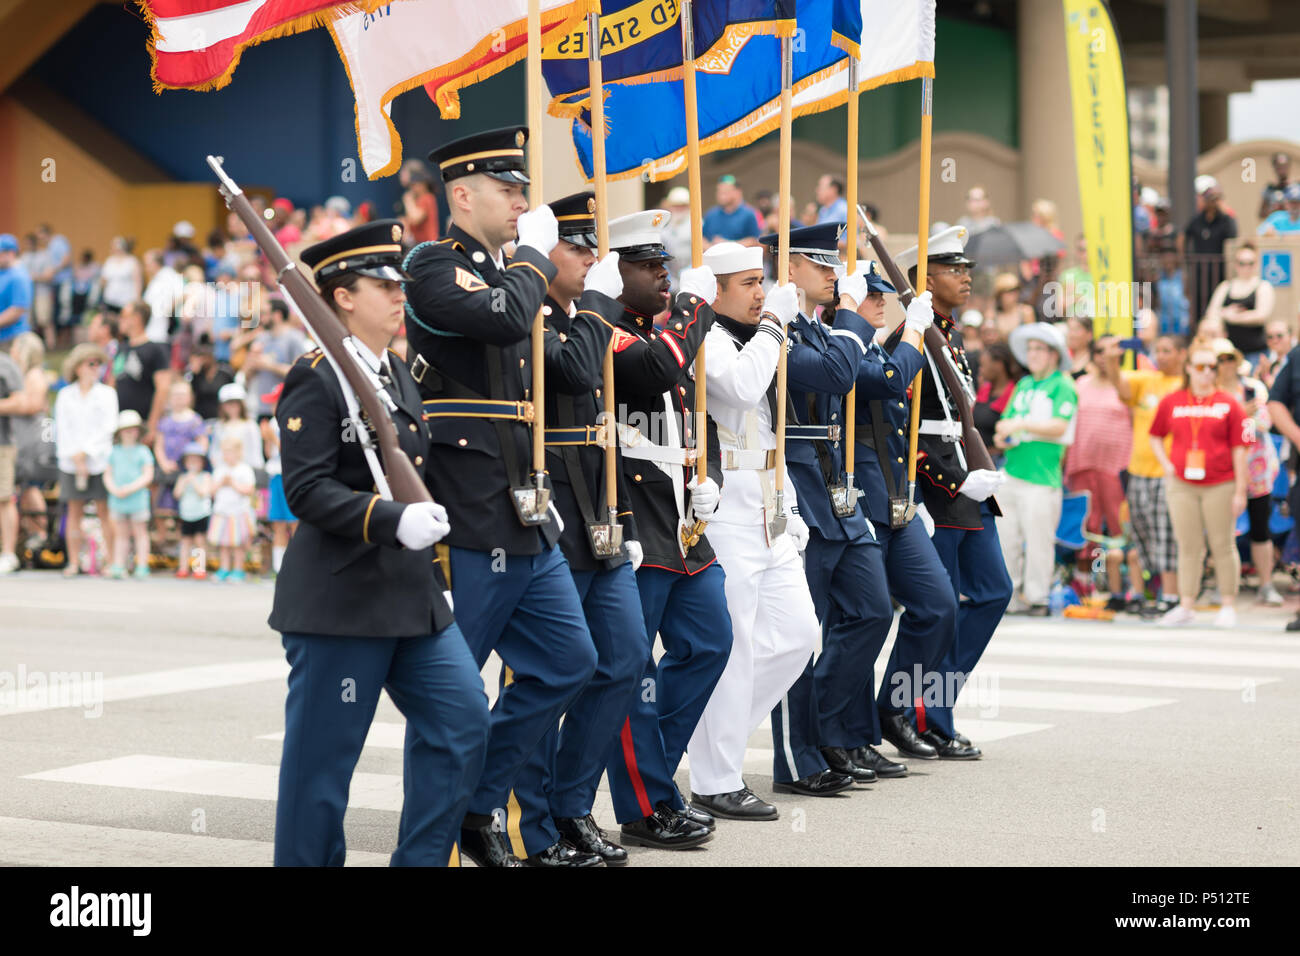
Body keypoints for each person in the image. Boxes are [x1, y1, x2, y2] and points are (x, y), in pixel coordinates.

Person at [403, 128, 598, 867]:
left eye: (522, 191)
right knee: (451, 697)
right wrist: (530, 261)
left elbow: (561, 366)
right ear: (462, 195)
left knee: (566, 661)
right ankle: (430, 848)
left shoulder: (513, 272)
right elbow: (502, 319)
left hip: (525, 500)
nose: (522, 201)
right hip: (469, 504)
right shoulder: (430, 266)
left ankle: (479, 805)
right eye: (508, 190)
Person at [270, 219, 488, 866]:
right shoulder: (317, 376)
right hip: (341, 602)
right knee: (321, 771)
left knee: (463, 723)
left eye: (400, 285)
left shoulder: (395, 370)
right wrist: (389, 520)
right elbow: (305, 489)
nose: (400, 296)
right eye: (383, 285)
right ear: (341, 296)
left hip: (413, 598)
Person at [497, 192, 645, 865]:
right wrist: (598, 309)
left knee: (621, 658)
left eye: (593, 250)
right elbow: (578, 369)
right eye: (578, 248)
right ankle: (530, 825)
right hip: (547, 504)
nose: (590, 261)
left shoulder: (574, 314)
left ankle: (573, 805)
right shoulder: (532, 315)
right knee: (546, 672)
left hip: (597, 508)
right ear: (541, 249)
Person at [599, 209, 729, 849]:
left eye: (664, 265)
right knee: (632, 669)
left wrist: (712, 482)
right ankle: (647, 802)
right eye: (649, 267)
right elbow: (656, 373)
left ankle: (653, 776)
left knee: (710, 643)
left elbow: (687, 415)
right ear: (614, 272)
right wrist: (696, 307)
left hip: (682, 517)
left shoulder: (658, 328)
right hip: (635, 512)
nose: (663, 276)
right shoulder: (609, 330)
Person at [765, 222, 908, 779]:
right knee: (804, 629)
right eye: (821, 265)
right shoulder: (776, 329)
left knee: (872, 610)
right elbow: (838, 375)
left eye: (835, 266)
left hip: (838, 490)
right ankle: (797, 759)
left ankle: (836, 731)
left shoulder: (819, 330)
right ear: (790, 267)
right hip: (800, 489)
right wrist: (850, 310)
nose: (833, 275)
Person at [685, 241, 817, 821]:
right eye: (747, 284)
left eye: (761, 282)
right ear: (714, 291)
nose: (761, 293)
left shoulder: (759, 337)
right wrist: (774, 328)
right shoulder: (708, 340)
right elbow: (738, 388)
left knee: (798, 637)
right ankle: (716, 777)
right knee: (736, 650)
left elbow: (770, 431)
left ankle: (712, 731)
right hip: (727, 514)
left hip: (769, 509)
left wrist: (790, 505)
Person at [885, 225, 1011, 756]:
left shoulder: (951, 340)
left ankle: (932, 705)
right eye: (953, 269)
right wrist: (955, 481)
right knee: (938, 609)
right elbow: (902, 430)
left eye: (966, 269)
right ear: (923, 281)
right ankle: (906, 710)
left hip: (968, 484)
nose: (966, 277)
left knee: (992, 591)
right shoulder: (908, 343)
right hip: (939, 491)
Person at [848, 261, 958, 767]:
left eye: (882, 296)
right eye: (869, 295)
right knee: (860, 621)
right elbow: (889, 383)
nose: (879, 303)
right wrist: (913, 328)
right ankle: (851, 735)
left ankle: (894, 709)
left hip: (896, 500)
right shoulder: (849, 348)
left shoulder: (880, 345)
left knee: (937, 604)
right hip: (859, 503)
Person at [1149, 338, 1249, 628]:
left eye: (1213, 367)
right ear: (1189, 368)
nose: (1208, 372)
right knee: (1188, 545)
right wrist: (1166, 465)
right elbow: (1155, 434)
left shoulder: (1229, 403)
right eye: (1201, 366)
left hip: (1221, 482)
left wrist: (1240, 490)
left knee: (1222, 543)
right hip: (1182, 482)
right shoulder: (1173, 400)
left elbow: (1240, 448)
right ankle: (1186, 604)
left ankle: (1228, 603)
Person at [995, 323, 1077, 615]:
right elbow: (1003, 426)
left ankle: (1038, 597)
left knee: (1039, 540)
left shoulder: (1063, 385)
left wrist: (1020, 425)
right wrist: (1004, 434)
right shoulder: (1024, 385)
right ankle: (1010, 595)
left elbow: (1059, 426)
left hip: (1042, 477)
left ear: (1053, 354)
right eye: (1029, 348)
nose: (1032, 354)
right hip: (1013, 471)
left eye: (1038, 348)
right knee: (1006, 539)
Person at [1065, 335, 1136, 609]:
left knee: (1118, 525)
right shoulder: (1080, 384)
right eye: (1099, 351)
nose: (1104, 357)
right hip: (1083, 463)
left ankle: (1122, 583)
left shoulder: (1127, 384)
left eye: (1111, 351)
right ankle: (1089, 581)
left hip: (1116, 466)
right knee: (1088, 526)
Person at [1215, 338, 1282, 606]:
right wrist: (1242, 415)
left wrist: (1237, 419)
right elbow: (1212, 429)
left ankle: (1266, 584)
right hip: (1222, 469)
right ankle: (1222, 585)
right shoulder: (1211, 393)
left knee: (1260, 527)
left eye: (1230, 358)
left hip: (1256, 469)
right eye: (1220, 360)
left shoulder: (1252, 388)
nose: (1226, 365)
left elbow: (1264, 423)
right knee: (1221, 529)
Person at [54, 344, 117, 577]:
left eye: (98, 364)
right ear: (78, 367)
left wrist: (87, 453)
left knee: (104, 511)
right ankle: (73, 562)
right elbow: (62, 428)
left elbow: (108, 427)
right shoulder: (65, 394)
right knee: (73, 512)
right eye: (90, 364)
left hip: (99, 460)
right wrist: (75, 455)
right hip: (70, 461)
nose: (95, 368)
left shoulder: (107, 393)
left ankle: (111, 561)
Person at [0, 334, 54, 561]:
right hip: (20, 433)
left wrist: (10, 403)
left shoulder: (34, 375)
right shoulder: (22, 374)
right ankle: (30, 532)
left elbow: (32, 405)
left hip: (32, 437)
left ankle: (40, 532)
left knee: (31, 485)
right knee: (23, 487)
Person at [103, 409, 155, 580]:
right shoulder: (114, 452)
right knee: (121, 534)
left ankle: (142, 565)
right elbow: (108, 474)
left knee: (140, 533)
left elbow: (148, 475)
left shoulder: (143, 452)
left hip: (137, 499)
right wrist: (114, 489)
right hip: (118, 499)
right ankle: (119, 564)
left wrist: (130, 488)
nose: (130, 433)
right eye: (126, 429)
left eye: (133, 429)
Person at [1204, 241, 1274, 365]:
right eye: (1242, 263)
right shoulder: (1225, 286)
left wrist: (1232, 316)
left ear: (1256, 264)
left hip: (1255, 352)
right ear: (1236, 265)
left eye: (1250, 263)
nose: (1246, 267)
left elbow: (1261, 315)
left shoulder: (1263, 286)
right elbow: (1211, 313)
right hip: (1227, 353)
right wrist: (1227, 314)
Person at [1180, 183, 1238, 327]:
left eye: (1216, 198)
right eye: (1210, 198)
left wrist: (1223, 209)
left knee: (1217, 302)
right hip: (1200, 271)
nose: (1213, 202)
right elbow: (1183, 236)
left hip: (1219, 273)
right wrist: (1184, 259)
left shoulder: (1225, 220)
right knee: (1198, 304)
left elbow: (1233, 236)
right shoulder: (1198, 220)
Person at [114, 301, 173, 441]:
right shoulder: (121, 348)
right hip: (121, 423)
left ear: (137, 318)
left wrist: (152, 426)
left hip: (142, 424)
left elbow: (163, 389)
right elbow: (113, 381)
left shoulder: (155, 349)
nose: (120, 320)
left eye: (124, 316)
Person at [244, 298, 307, 419]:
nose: (261, 318)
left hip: (287, 405)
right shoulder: (261, 338)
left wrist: (270, 366)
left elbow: (300, 373)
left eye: (264, 314)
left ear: (277, 315)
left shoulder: (294, 338)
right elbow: (247, 377)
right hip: (262, 406)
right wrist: (251, 362)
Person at [258, 383, 297, 577]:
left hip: (290, 475)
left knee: (294, 522)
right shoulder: (273, 423)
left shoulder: (293, 421)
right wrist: (267, 439)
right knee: (278, 522)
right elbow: (269, 453)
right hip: (275, 474)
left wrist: (272, 438)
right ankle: (279, 567)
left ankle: (299, 565)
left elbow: (291, 452)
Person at [153, 380, 208, 512]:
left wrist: (195, 464)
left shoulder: (195, 421)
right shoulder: (165, 421)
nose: (179, 398)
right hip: (168, 471)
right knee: (163, 508)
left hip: (187, 471)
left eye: (182, 394)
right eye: (176, 395)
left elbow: (203, 443)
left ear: (190, 397)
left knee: (183, 508)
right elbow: (158, 445)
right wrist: (164, 463)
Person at [207, 433, 255, 582]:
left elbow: (249, 490)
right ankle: (224, 568)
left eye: (230, 452)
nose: (227, 456)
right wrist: (221, 482)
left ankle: (238, 570)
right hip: (222, 512)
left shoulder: (244, 469)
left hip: (238, 512)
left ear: (239, 452)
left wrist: (233, 483)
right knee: (223, 544)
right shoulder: (219, 470)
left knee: (238, 545)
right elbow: (211, 490)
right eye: (225, 452)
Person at [974, 342, 1022, 454]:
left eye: (983, 365)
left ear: (998, 365)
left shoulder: (1014, 394)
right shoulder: (984, 389)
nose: (980, 370)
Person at [173, 442, 212, 579]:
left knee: (200, 541)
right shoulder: (182, 477)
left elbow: (204, 492)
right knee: (185, 541)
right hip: (186, 514)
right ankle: (183, 567)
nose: (193, 463)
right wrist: (184, 482)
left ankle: (199, 568)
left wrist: (194, 481)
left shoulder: (206, 476)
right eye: (190, 461)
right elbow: (177, 494)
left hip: (201, 513)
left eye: (196, 460)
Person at [0, 344, 22, 574]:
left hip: (2, 442)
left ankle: (8, 553)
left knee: (4, 498)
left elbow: (20, 401)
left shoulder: (5, 365)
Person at [210, 383, 264, 474]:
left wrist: (256, 471)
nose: (231, 406)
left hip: (247, 471)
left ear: (241, 404)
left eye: (235, 402)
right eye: (228, 403)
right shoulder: (219, 426)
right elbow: (215, 450)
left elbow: (255, 450)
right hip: (224, 471)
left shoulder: (250, 425)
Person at [185, 336, 234, 422]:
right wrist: (193, 373)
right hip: (200, 419)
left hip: (221, 419)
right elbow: (188, 394)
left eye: (204, 356)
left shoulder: (225, 372)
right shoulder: (194, 376)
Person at [702, 174, 761, 244]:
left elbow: (755, 240)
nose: (721, 194)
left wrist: (727, 245)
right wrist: (712, 248)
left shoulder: (750, 214)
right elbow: (701, 239)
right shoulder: (711, 215)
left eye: (726, 191)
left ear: (738, 192)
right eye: (719, 191)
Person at [141, 249, 184, 343]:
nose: (146, 268)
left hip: (162, 329)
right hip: (151, 328)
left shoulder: (169, 275)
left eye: (147, 264)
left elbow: (182, 294)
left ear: (155, 263)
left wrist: (168, 311)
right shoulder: (155, 279)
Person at [0, 233, 33, 347]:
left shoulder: (18, 276)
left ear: (10, 253)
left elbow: (17, 310)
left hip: (11, 338)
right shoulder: (3, 272)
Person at [94, 237, 141, 314]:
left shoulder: (132, 261)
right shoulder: (109, 261)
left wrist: (137, 299)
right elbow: (103, 279)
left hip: (126, 300)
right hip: (110, 299)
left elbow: (138, 281)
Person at [1155, 248, 1190, 338]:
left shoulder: (1182, 276)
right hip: (1164, 317)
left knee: (1179, 341)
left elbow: (1189, 296)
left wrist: (1190, 317)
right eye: (1165, 258)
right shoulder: (1158, 277)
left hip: (1180, 316)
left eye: (1170, 258)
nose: (1167, 261)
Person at [991, 272, 1034, 338]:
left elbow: (1032, 337)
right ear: (999, 295)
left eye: (1016, 290)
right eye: (1009, 291)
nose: (1013, 294)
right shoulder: (993, 315)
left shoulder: (1026, 312)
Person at [1259, 152, 1294, 220]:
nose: (1282, 170)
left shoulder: (1296, 187)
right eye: (1279, 167)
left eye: (1284, 166)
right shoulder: (1269, 189)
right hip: (1276, 228)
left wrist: (1289, 207)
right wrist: (1273, 210)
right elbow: (1261, 214)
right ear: (1274, 168)